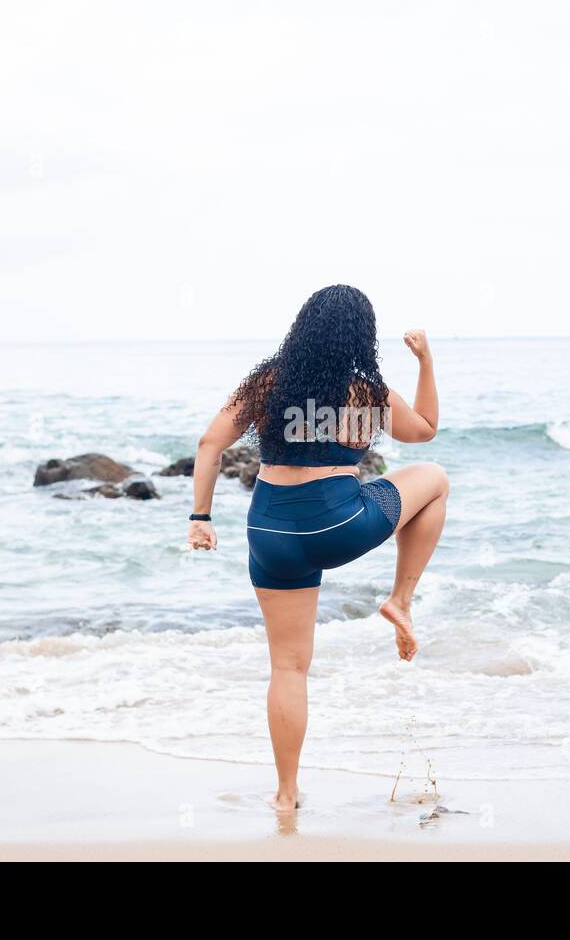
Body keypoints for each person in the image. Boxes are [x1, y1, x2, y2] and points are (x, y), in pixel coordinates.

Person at [186, 284, 448, 810]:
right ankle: (400, 598)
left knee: (287, 667)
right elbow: (423, 432)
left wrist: (200, 517)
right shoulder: (363, 391)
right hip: (336, 523)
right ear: (361, 337)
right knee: (434, 479)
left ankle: (285, 795)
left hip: (271, 534)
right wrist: (425, 361)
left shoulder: (266, 384)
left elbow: (210, 444)